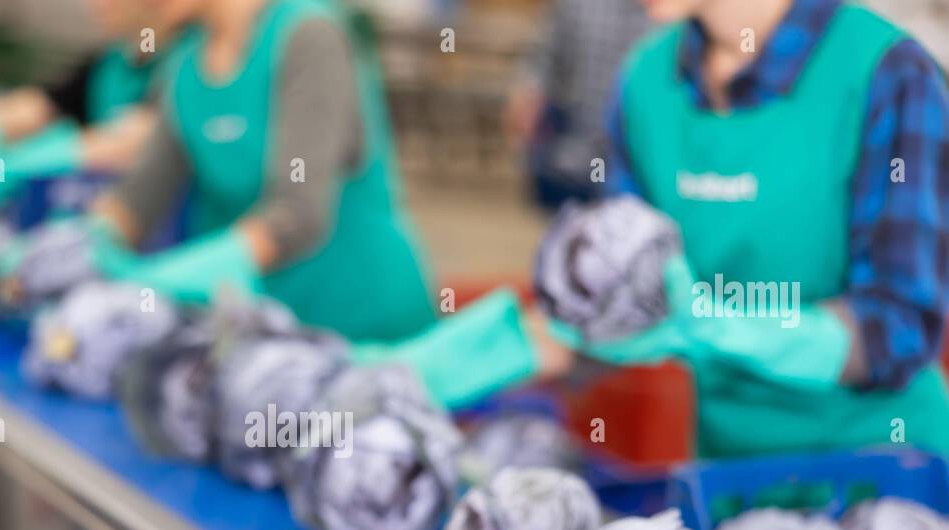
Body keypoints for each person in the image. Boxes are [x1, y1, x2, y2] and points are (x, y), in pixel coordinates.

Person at [362, 0, 949, 459]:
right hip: (729, 481)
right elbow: (607, 303)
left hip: (883, 472)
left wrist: (716, 324)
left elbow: (897, 328)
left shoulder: (885, 72)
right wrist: (425, 371)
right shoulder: (646, 81)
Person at [88, 0, 438, 344]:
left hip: (361, 326)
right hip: (266, 331)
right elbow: (138, 200)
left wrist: (170, 279)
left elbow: (296, 215)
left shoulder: (308, 35)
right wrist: (83, 246)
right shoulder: (184, 66)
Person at [0, 0, 186, 214]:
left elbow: (136, 141)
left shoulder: (185, 64)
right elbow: (32, 108)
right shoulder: (107, 64)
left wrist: (22, 164)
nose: (95, 5)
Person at [505, 0, 653, 208]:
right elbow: (544, 57)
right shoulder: (574, 5)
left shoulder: (670, 11)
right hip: (576, 154)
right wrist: (529, 94)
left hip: (640, 161)